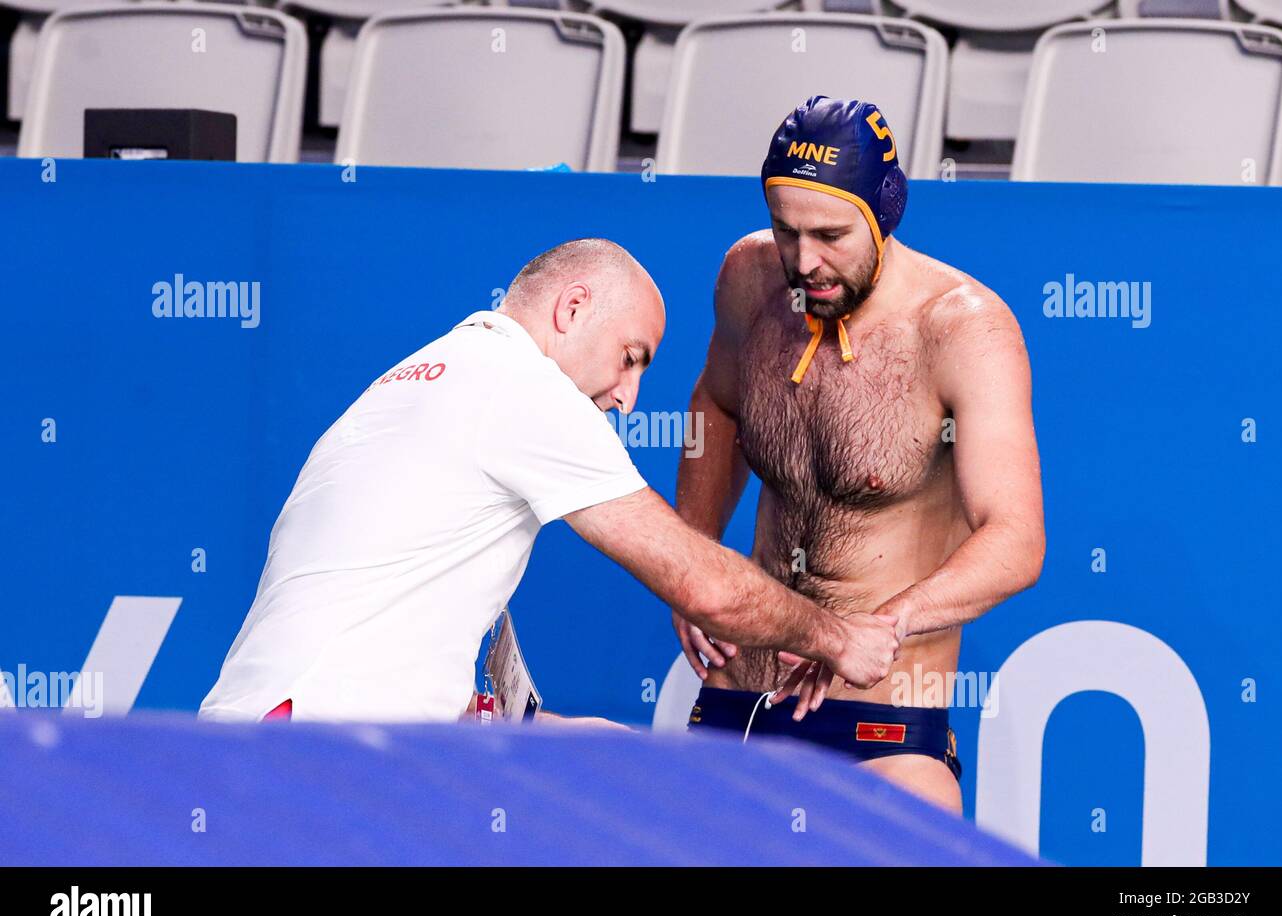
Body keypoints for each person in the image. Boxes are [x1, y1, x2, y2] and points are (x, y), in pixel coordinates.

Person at [200, 238, 897, 725]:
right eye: (630, 358)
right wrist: (837, 638)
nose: (628, 397)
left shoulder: (423, 377)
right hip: (313, 758)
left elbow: (399, 628)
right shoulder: (521, 387)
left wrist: (545, 733)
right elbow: (703, 587)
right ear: (572, 309)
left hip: (273, 738)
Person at [674, 98, 1045, 811]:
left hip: (883, 720)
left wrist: (884, 623)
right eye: (787, 232)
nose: (804, 261)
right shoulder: (750, 280)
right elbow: (717, 407)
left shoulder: (962, 328)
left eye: (831, 235)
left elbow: (1017, 538)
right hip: (738, 702)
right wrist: (692, 553)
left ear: (886, 213)